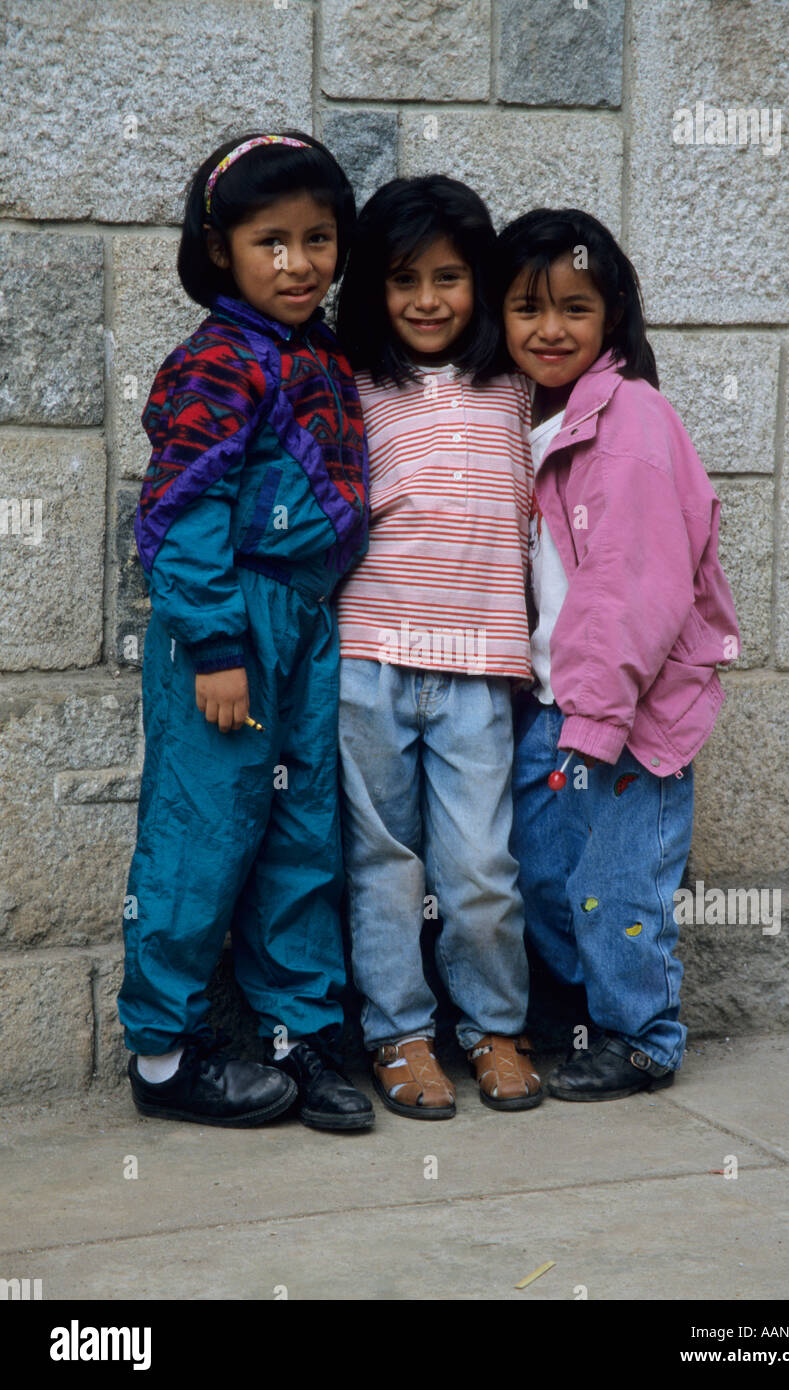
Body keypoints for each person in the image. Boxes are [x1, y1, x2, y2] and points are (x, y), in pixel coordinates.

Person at [118, 131, 374, 1131]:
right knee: (203, 833)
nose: (300, 262)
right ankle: (165, 1053)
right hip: (228, 627)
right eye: (272, 240)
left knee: (303, 831)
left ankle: (296, 1033)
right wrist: (218, 648)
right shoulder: (218, 361)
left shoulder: (321, 352)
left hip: (308, 626)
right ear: (219, 248)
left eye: (319, 239)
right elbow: (178, 514)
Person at [499, 208, 740, 1101]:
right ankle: (579, 1019)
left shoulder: (630, 417)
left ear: (612, 316)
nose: (550, 328)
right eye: (527, 308)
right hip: (554, 704)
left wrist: (597, 718)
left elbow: (632, 586)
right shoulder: (526, 420)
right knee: (543, 875)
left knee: (616, 883)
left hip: (626, 716)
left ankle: (641, 1038)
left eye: (575, 306)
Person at [334, 176, 542, 1118]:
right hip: (368, 656)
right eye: (403, 278)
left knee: (480, 868)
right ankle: (398, 1034)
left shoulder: (516, 387)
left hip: (478, 671)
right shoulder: (352, 383)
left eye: (449, 277)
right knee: (383, 863)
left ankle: (495, 1026)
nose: (426, 300)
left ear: (480, 280)